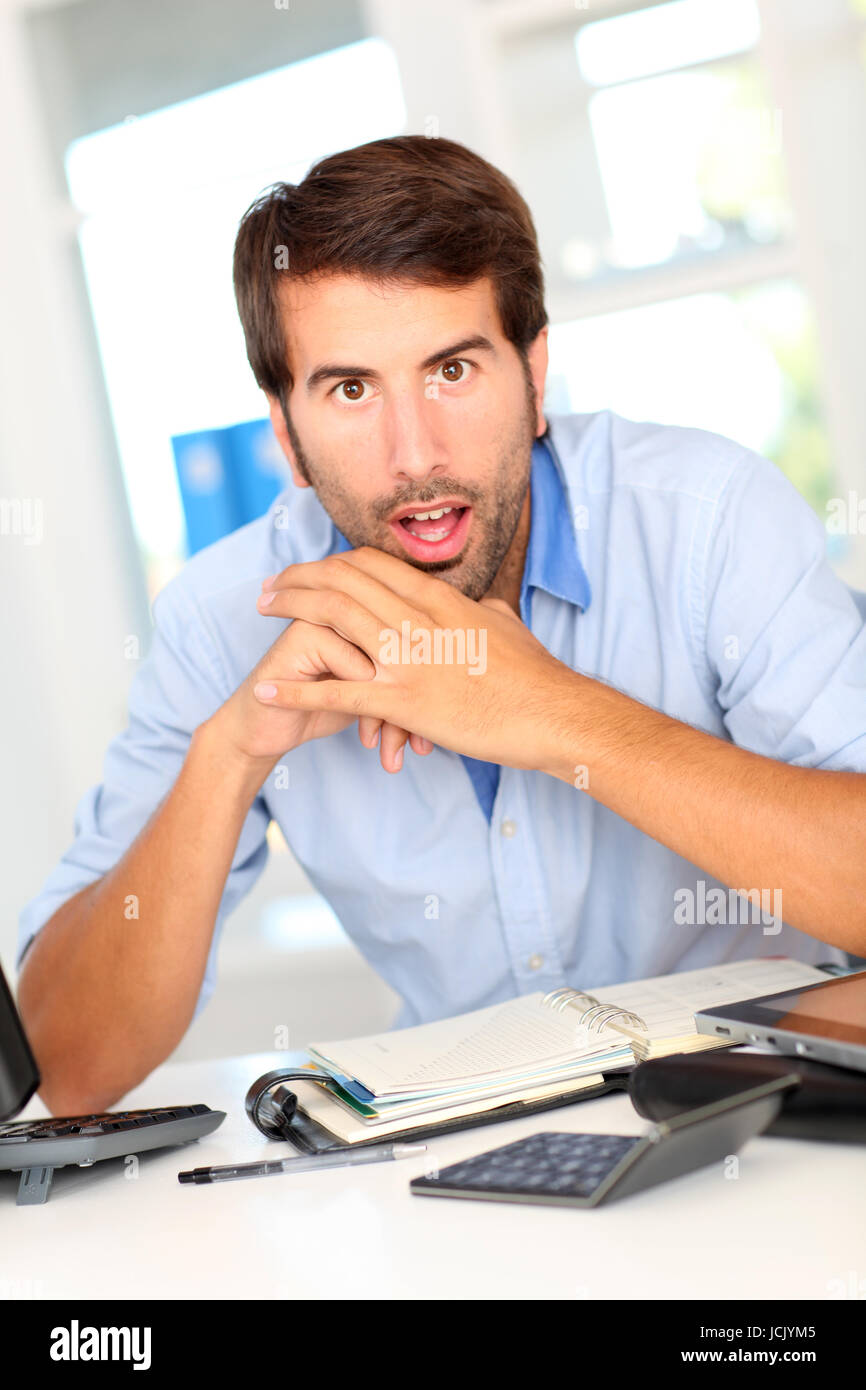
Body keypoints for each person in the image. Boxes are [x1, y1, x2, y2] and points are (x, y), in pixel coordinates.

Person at [17, 135, 866, 1114]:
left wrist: (552, 713)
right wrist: (232, 751)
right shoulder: (224, 619)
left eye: (452, 370)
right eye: (349, 389)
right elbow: (65, 1069)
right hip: (447, 1176)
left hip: (757, 1126)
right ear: (286, 434)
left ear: (533, 374)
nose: (412, 452)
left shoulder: (707, 517)